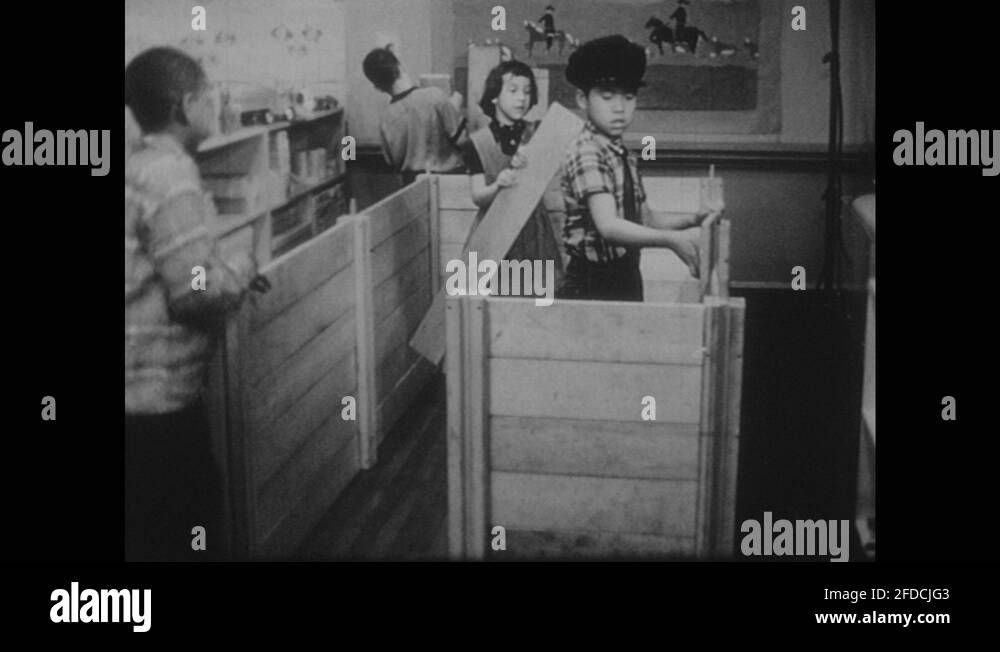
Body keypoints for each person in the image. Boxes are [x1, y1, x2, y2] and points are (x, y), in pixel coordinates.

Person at [125, 46, 256, 561]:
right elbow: (195, 292)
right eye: (211, 96)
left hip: (135, 399)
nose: (219, 105)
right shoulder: (170, 174)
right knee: (183, 531)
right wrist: (241, 270)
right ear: (184, 107)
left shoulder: (137, 167)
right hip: (157, 403)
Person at [558, 35, 714, 301]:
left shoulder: (624, 156)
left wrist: (692, 219)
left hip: (625, 276)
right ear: (582, 99)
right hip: (591, 285)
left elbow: (645, 219)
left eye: (629, 97)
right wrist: (670, 241)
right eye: (607, 97)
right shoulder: (587, 151)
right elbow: (609, 226)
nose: (620, 108)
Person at [463, 59, 561, 281]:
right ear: (495, 95)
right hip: (493, 231)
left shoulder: (537, 134)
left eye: (527, 92)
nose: (522, 98)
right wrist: (498, 185)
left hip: (535, 232)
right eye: (513, 90)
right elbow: (478, 196)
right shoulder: (477, 142)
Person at [362, 45, 466, 185]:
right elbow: (463, 141)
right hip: (448, 181)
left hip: (411, 186)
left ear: (378, 87)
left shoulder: (386, 118)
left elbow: (392, 161)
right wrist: (454, 111)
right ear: (400, 68)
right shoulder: (434, 96)